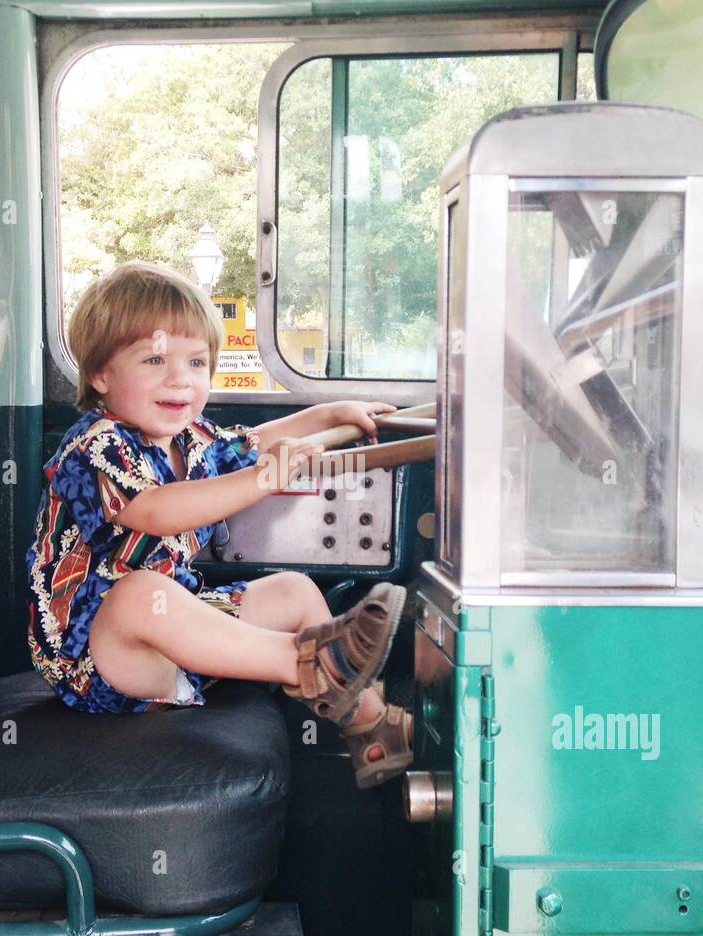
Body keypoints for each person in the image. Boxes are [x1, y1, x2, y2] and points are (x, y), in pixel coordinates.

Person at [25, 260, 414, 788]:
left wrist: (332, 413)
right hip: (100, 659)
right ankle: (300, 662)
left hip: (177, 642)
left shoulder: (192, 438)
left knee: (294, 593)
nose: (179, 379)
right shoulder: (96, 447)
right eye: (155, 359)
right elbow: (159, 510)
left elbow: (256, 440)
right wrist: (262, 481)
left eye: (196, 362)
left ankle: (372, 727)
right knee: (141, 593)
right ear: (100, 374)